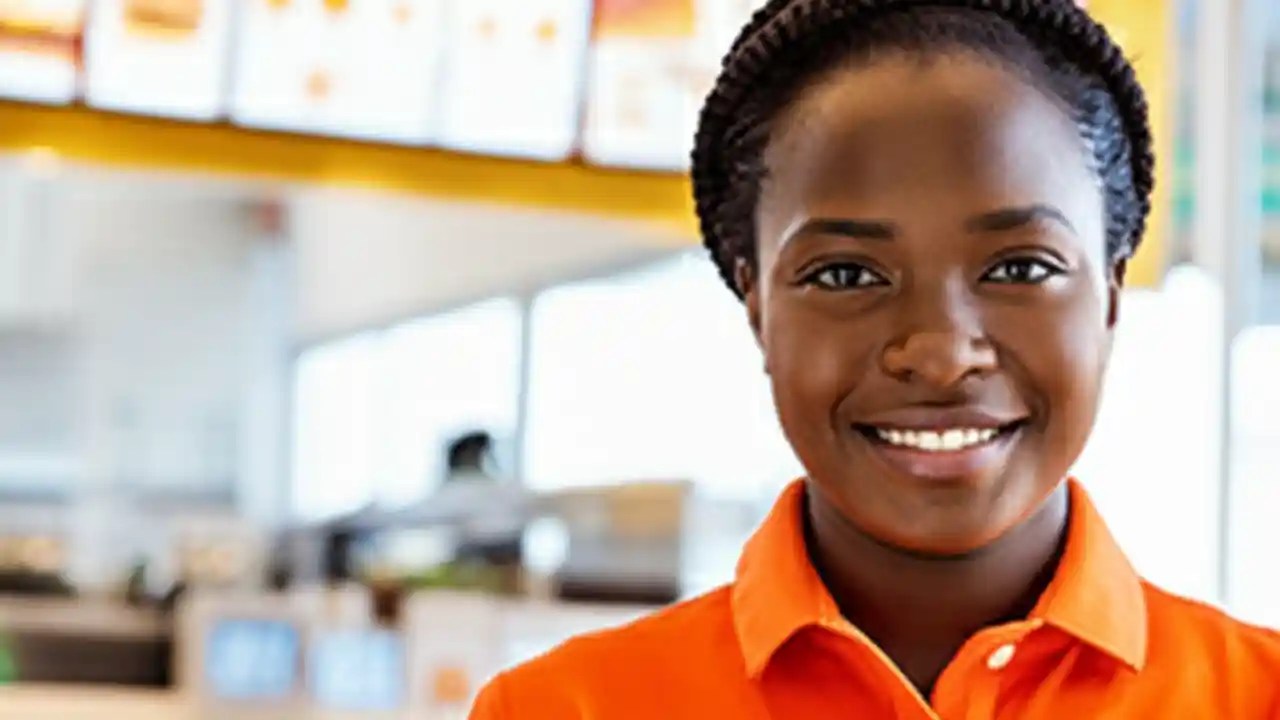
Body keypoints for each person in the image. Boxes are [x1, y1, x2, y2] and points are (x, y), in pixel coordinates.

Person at [471, 1, 1280, 718]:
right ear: (757, 308)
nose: (938, 354)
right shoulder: (566, 708)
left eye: (1021, 267)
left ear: (1108, 295)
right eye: (846, 275)